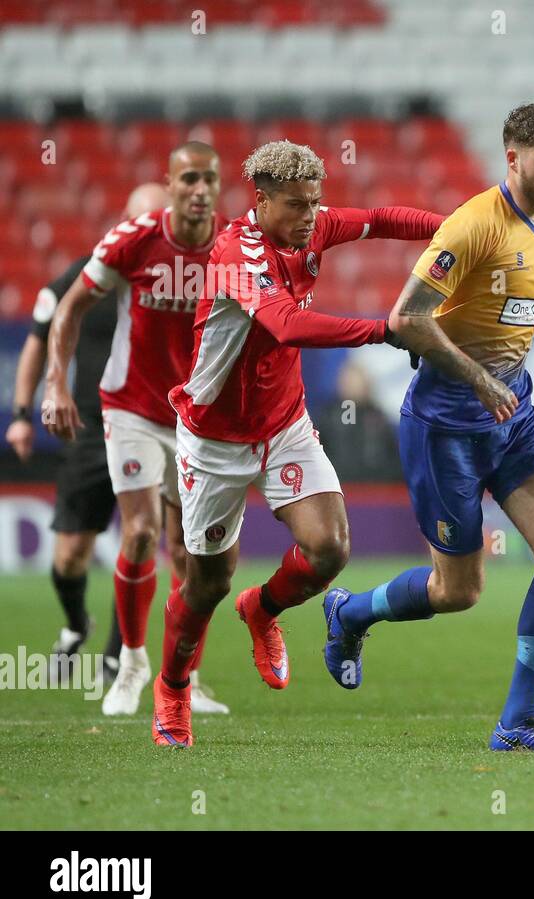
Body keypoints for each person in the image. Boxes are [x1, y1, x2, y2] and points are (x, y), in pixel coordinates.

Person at [321, 103, 534, 753]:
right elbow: (407, 318)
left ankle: (516, 723)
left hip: (513, 420)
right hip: (444, 428)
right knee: (458, 590)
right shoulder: (474, 226)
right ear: (513, 159)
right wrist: (478, 379)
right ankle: (350, 611)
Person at [153, 140, 444, 747]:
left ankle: (263, 610)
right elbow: (287, 324)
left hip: (283, 424)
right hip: (214, 440)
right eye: (296, 205)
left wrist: (460, 229)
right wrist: (383, 330)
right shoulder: (235, 254)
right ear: (260, 202)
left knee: (329, 548)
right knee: (207, 583)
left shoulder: (312, 226)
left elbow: (385, 220)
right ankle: (173, 689)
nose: (311, 216)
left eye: (315, 203)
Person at [44, 145, 231, 716]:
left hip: (195, 418)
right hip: (129, 407)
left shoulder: (233, 246)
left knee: (191, 552)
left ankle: (186, 679)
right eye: (189, 178)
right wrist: (55, 384)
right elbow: (69, 306)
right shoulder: (134, 241)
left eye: (210, 180)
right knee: (142, 532)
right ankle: (130, 663)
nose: (200, 189)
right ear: (170, 184)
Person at [5, 183, 166, 687]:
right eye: (143, 221)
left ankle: (120, 653)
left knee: (140, 536)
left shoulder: (175, 279)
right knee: (69, 555)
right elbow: (39, 340)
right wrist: (24, 412)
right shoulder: (84, 277)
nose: (152, 233)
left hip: (155, 426)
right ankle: (77, 626)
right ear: (123, 220)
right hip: (93, 431)